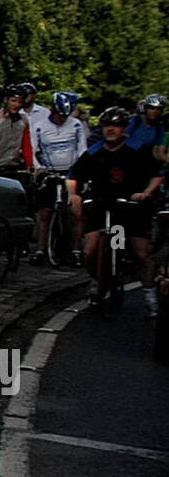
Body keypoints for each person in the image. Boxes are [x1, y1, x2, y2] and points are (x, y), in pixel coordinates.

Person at [68, 107, 162, 315]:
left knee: (142, 252)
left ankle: (150, 295)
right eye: (107, 126)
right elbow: (74, 175)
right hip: (102, 205)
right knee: (90, 249)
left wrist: (146, 192)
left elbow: (157, 174)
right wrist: (74, 195)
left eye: (116, 126)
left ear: (124, 128)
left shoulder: (138, 149)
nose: (111, 130)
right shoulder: (94, 152)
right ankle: (96, 280)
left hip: (131, 206)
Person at [28, 91, 85, 264]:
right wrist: (39, 168)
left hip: (70, 172)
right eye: (59, 115)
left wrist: (79, 169)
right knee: (45, 213)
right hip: (49, 172)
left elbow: (81, 149)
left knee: (76, 211)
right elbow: (33, 149)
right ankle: (40, 250)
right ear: (52, 110)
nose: (62, 119)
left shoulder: (76, 125)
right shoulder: (39, 125)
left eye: (65, 116)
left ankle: (76, 250)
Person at [0, 85, 34, 181]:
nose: (16, 105)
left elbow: (26, 145)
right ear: (6, 100)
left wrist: (30, 164)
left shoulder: (23, 120)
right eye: (13, 101)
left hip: (14, 166)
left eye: (20, 102)